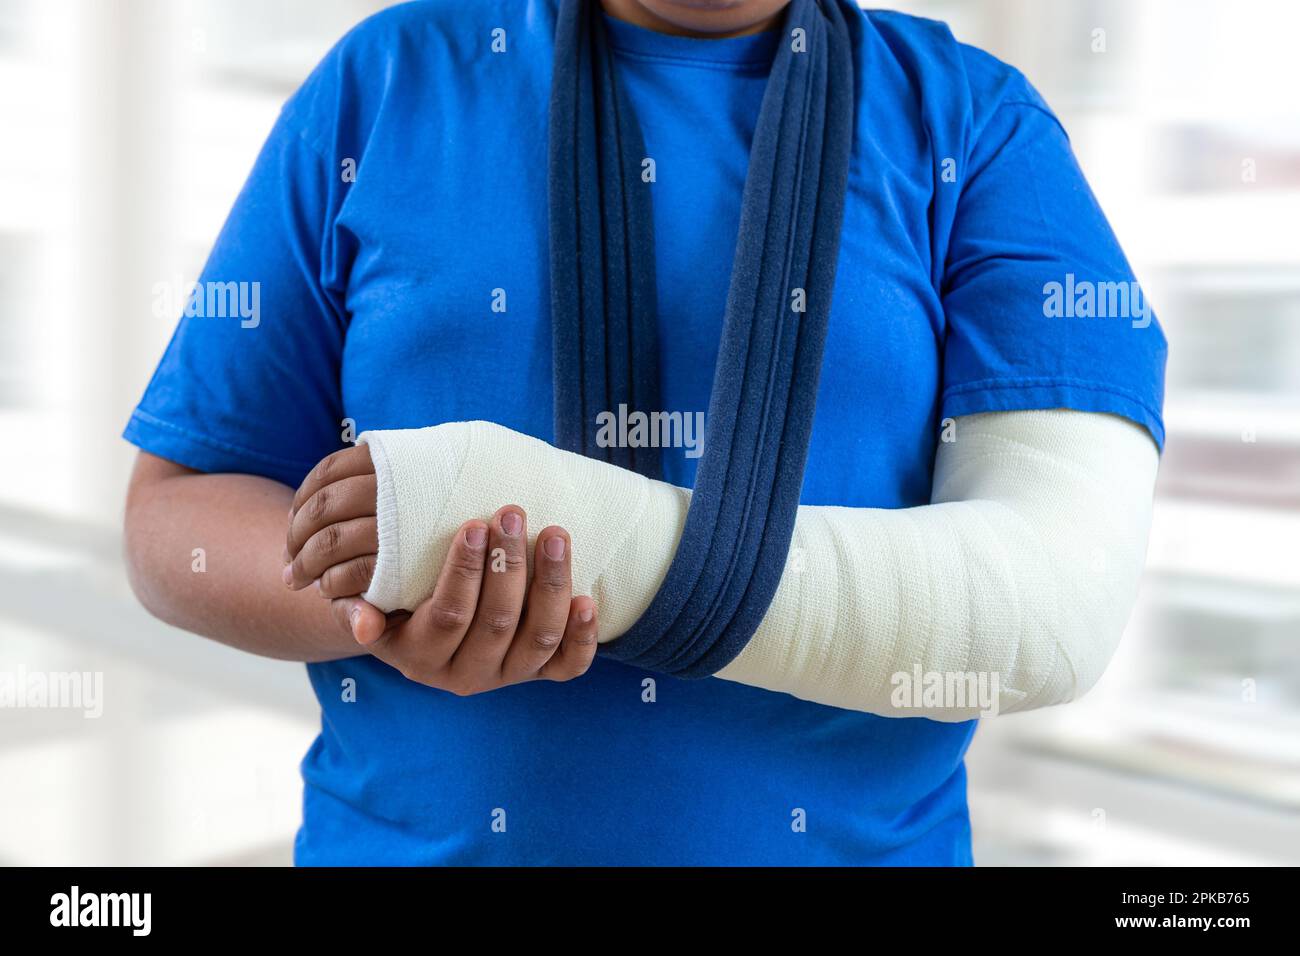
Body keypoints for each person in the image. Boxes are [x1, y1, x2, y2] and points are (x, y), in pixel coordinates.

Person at [122, 0, 1167, 865]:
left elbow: (1048, 602)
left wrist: (566, 542)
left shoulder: (976, 126)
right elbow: (174, 522)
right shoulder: (385, 82)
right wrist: (377, 590)